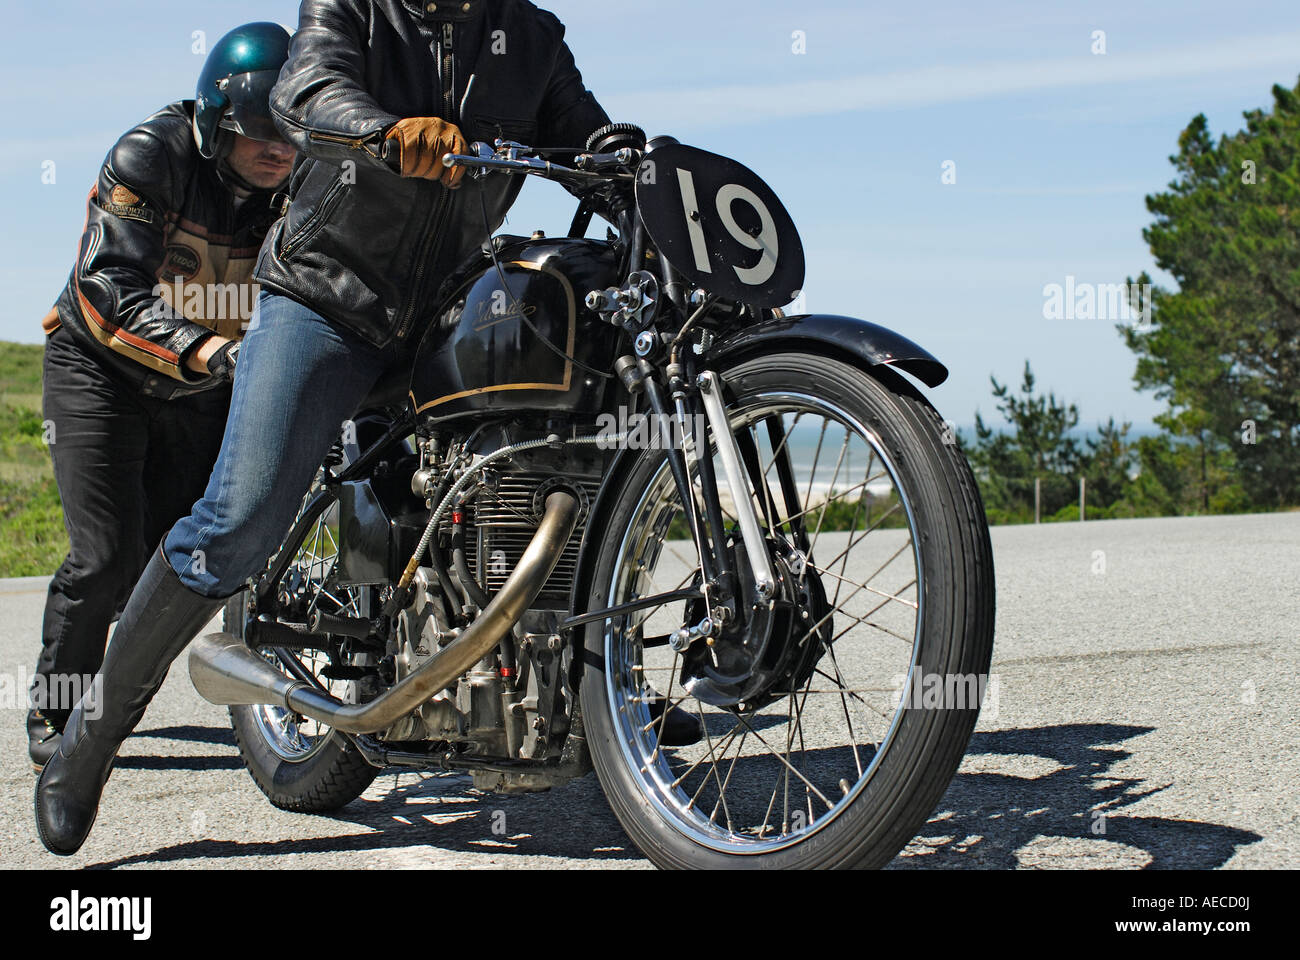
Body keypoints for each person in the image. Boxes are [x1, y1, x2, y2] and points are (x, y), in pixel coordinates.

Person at [27, 22, 295, 774]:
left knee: (175, 561)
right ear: (216, 121)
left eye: (290, 134)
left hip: (204, 387)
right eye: (260, 133)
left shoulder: (306, 183)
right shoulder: (149, 154)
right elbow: (107, 286)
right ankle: (59, 717)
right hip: (99, 370)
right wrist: (208, 350)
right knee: (104, 560)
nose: (277, 151)